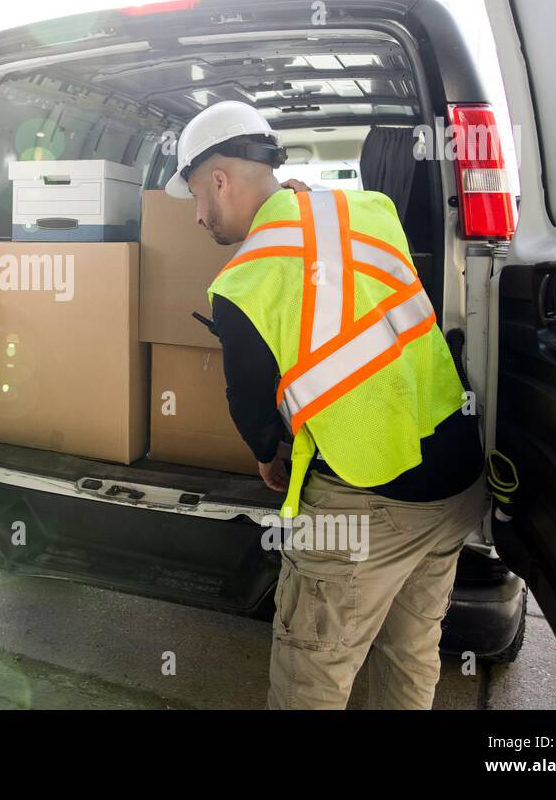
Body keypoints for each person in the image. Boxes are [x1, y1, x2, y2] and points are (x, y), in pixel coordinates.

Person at [164, 101, 487, 709]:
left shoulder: (242, 282)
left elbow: (252, 411)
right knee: (412, 652)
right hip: (456, 481)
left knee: (309, 679)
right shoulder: (372, 210)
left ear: (220, 179)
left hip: (370, 499)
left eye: (197, 199)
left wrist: (266, 455)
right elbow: (330, 263)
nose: (198, 218)